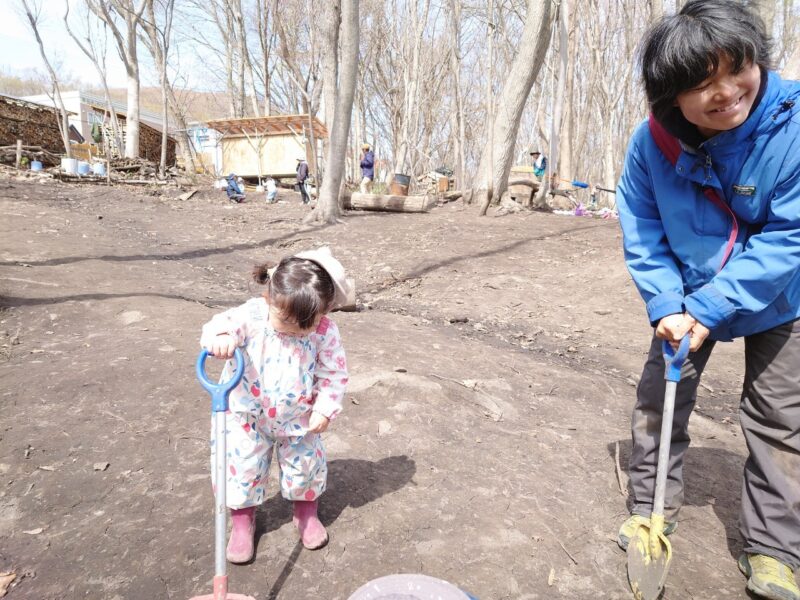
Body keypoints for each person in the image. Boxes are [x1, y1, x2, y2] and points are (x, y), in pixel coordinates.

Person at [616, 2, 800, 599]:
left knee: (780, 420)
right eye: (701, 84)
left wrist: (713, 306)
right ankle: (650, 509)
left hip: (784, 296)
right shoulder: (652, 144)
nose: (725, 93)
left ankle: (774, 549)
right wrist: (668, 304)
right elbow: (643, 229)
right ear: (671, 94)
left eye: (736, 69)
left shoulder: (794, 126)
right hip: (685, 297)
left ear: (757, 59)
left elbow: (791, 235)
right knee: (659, 400)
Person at [200, 247, 352, 562]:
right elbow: (219, 325)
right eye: (286, 321)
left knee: (306, 467)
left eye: (306, 324)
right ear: (269, 298)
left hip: (300, 419)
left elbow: (334, 373)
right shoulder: (252, 316)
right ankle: (242, 522)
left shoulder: (325, 331)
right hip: (247, 415)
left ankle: (306, 513)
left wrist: (324, 407)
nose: (295, 330)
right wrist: (221, 337)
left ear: (325, 311)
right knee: (241, 469)